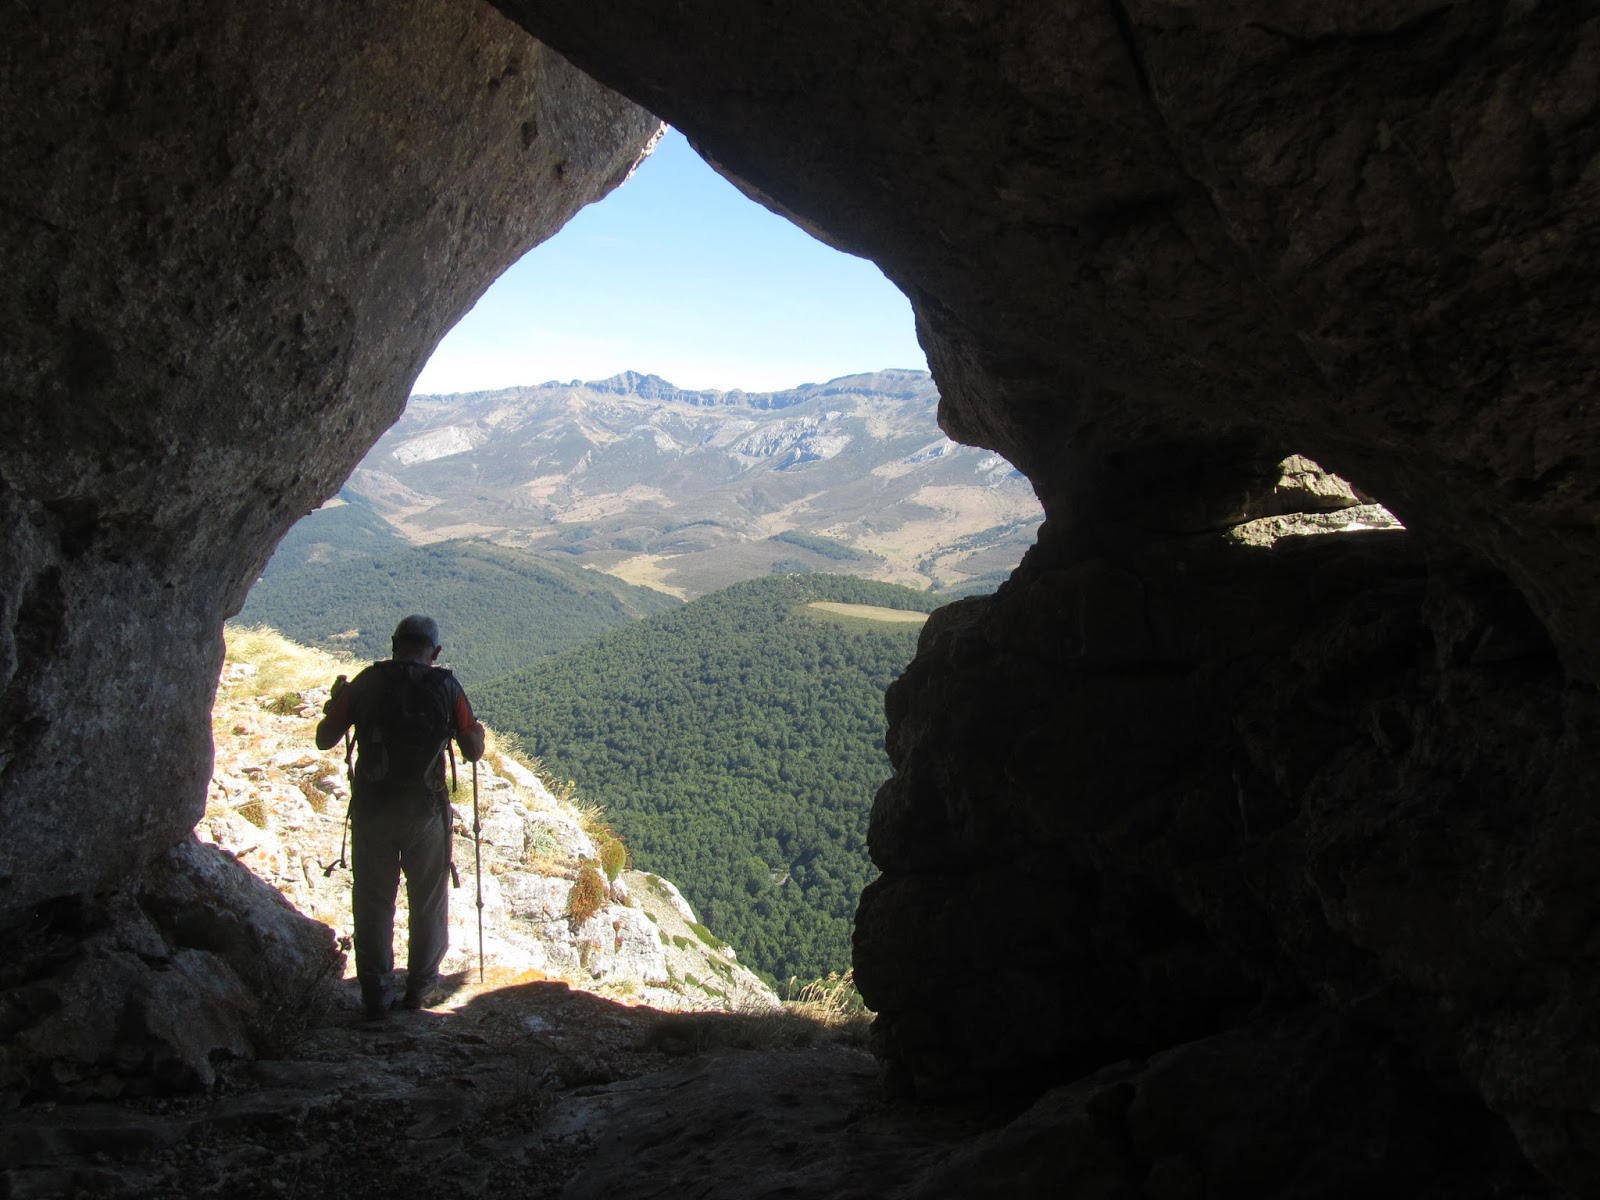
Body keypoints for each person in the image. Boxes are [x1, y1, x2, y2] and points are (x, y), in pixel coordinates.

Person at [316, 615, 485, 1019]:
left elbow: (325, 739)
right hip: (425, 810)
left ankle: (375, 991)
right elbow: (473, 751)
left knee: (373, 899)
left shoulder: (366, 682)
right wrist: (474, 729)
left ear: (394, 644)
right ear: (436, 651)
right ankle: (422, 986)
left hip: (373, 807)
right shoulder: (447, 686)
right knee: (427, 898)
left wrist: (336, 701)